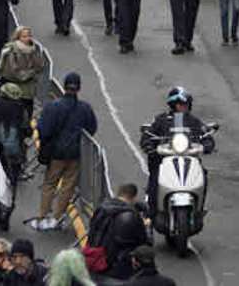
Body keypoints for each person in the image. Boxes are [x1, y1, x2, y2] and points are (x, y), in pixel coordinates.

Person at [31, 73, 97, 232]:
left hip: (56, 153)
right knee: (68, 186)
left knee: (49, 184)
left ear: (64, 86)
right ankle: (57, 217)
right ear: (79, 88)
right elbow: (91, 128)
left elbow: (44, 130)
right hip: (75, 154)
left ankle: (43, 216)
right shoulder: (85, 108)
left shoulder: (52, 106)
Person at [142, 87, 214, 219]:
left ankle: (199, 209)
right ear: (173, 104)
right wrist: (149, 146)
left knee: (203, 175)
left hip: (189, 159)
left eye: (186, 104)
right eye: (181, 104)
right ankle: (151, 213)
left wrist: (207, 145)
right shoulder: (161, 120)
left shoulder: (194, 121)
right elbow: (148, 135)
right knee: (155, 178)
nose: (184, 107)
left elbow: (206, 135)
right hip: (163, 160)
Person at [84, 184, 148, 278]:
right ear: (133, 198)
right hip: (118, 267)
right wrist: (146, 224)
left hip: (95, 260)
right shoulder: (130, 216)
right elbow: (143, 242)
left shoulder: (101, 209)